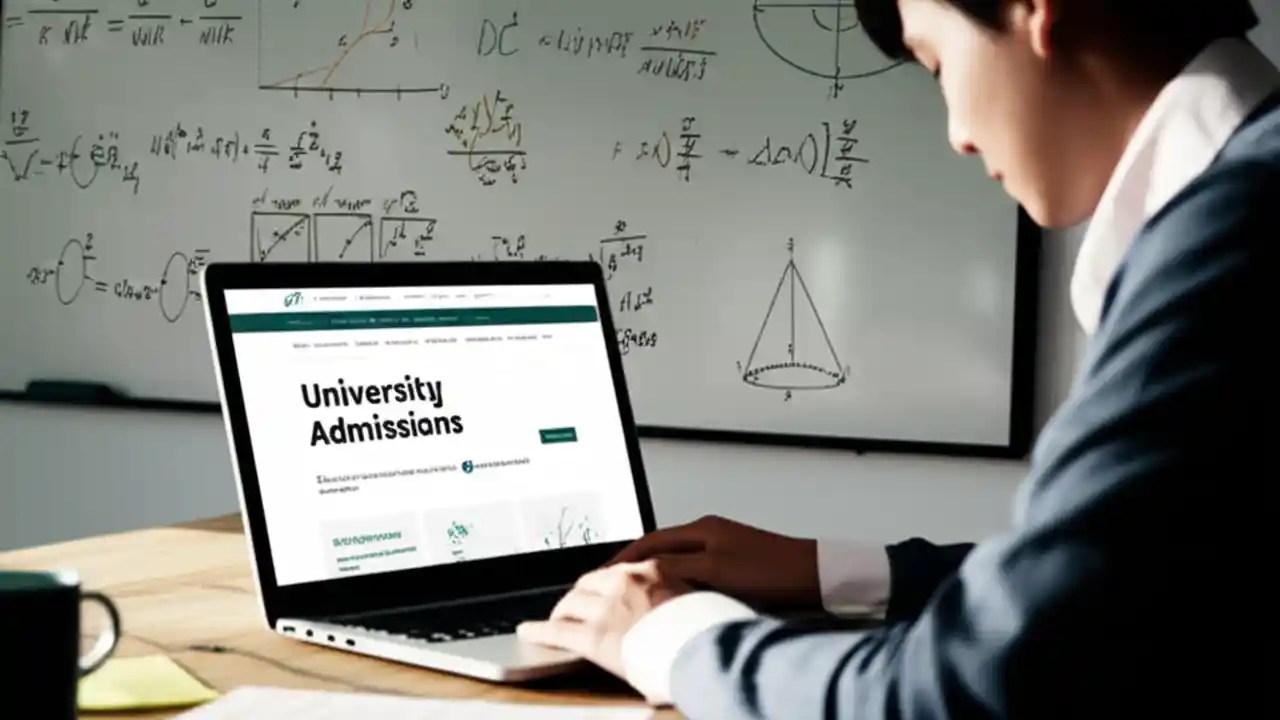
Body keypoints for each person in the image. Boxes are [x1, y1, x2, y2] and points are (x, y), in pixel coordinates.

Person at [518, 0, 1275, 716]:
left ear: (1037, 10)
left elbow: (968, 685)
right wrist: (826, 569)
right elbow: (1115, 582)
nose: (957, 134)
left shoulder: (1235, 229)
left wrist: (668, 636)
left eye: (937, 63)